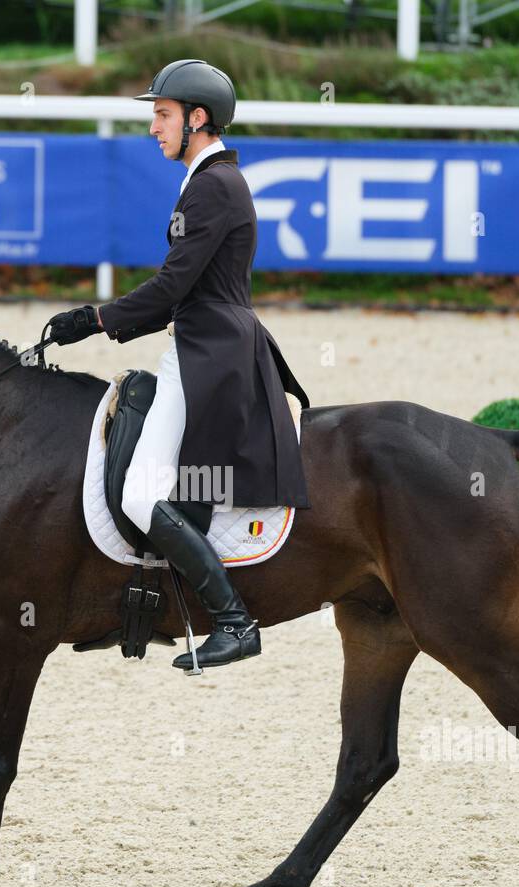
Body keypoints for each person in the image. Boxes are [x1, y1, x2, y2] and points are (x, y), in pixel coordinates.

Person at [46, 58, 311, 672]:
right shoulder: (206, 180)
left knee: (141, 496)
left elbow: (172, 286)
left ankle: (232, 619)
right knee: (148, 488)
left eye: (162, 116)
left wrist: (93, 319)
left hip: (210, 355)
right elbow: (180, 293)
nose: (153, 128)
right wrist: (113, 322)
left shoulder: (214, 185)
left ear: (198, 118)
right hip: (198, 343)